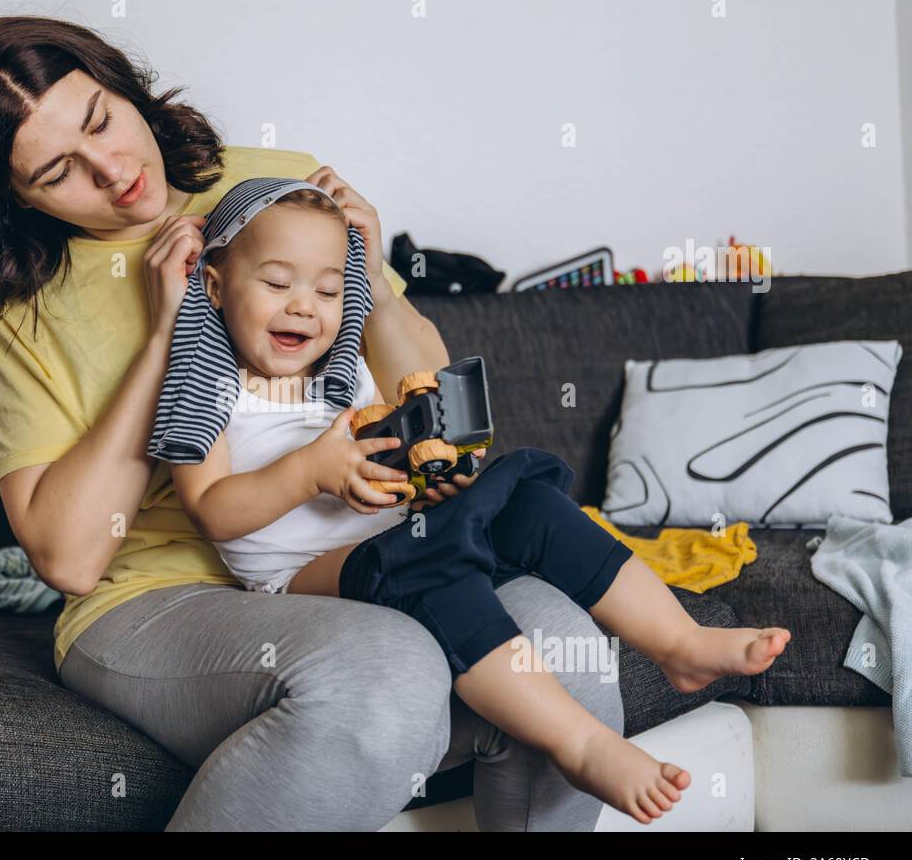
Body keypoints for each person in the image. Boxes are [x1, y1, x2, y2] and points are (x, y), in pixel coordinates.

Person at [0, 14, 631, 830]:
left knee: (568, 648)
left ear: (121, 85)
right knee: (385, 672)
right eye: (59, 170)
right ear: (12, 197)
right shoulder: (12, 305)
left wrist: (376, 286)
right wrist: (166, 337)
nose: (113, 171)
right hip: (156, 599)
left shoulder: (272, 184)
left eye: (102, 119)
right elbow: (70, 557)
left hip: (352, 548)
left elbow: (428, 396)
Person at [157, 180, 792, 824]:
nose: (304, 309)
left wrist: (439, 477)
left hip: (402, 530)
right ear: (213, 286)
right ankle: (579, 743)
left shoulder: (345, 370)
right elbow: (211, 508)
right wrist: (307, 472)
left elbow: (421, 428)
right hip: (301, 575)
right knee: (430, 571)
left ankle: (679, 641)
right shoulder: (209, 382)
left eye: (327, 291)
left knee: (525, 497)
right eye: (276, 284)